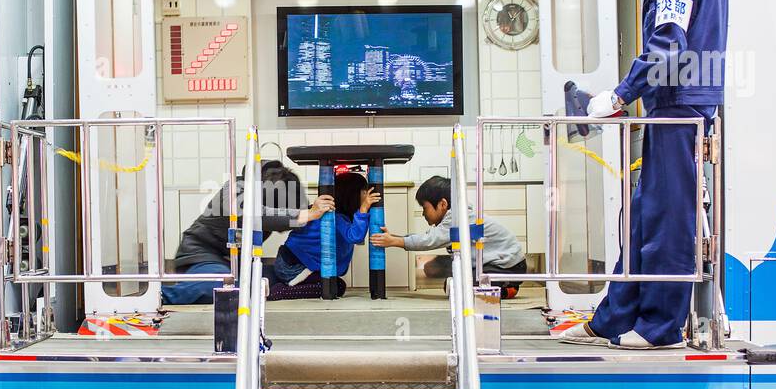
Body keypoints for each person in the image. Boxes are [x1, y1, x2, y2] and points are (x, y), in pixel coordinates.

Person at [560, 0, 727, 350]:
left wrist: (617, 96)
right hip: (676, 107)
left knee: (669, 221)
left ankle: (659, 329)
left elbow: (668, 44)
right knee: (642, 217)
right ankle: (611, 321)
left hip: (679, 109)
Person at [163, 159, 332, 304]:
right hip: (202, 257)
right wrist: (307, 214)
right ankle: (164, 295)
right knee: (225, 286)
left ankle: (243, 286)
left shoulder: (277, 190)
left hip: (237, 265)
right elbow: (256, 214)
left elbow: (287, 218)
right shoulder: (233, 191)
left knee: (274, 279)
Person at [370, 175, 527, 296]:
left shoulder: (458, 218)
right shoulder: (455, 216)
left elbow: (430, 240)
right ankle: (498, 285)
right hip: (492, 264)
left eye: (425, 208)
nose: (423, 213)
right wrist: (394, 238)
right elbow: (430, 236)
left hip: (509, 267)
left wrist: (394, 241)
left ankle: (507, 289)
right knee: (437, 272)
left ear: (443, 204)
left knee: (456, 287)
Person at [270, 170, 379, 296]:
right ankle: (281, 292)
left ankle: (279, 279)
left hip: (288, 262)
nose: (367, 196)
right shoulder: (335, 217)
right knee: (335, 287)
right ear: (353, 195)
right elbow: (355, 236)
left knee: (333, 283)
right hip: (294, 267)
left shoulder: (328, 214)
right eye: (364, 191)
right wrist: (364, 208)